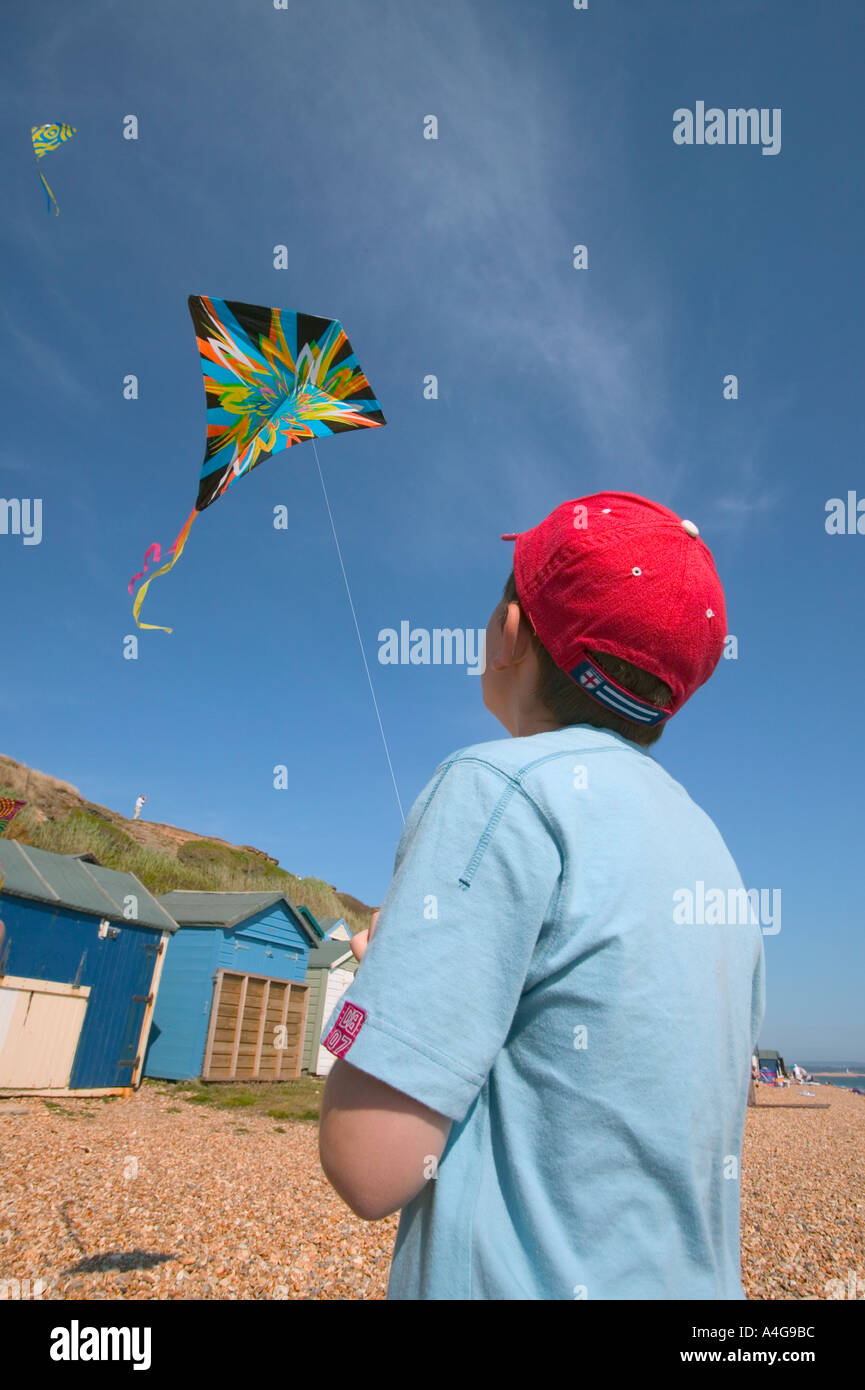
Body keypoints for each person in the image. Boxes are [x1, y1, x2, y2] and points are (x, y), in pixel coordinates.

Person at [318, 492, 766, 1300]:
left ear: (512, 633)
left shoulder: (495, 786)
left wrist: (385, 982)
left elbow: (368, 1165)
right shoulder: (716, 858)